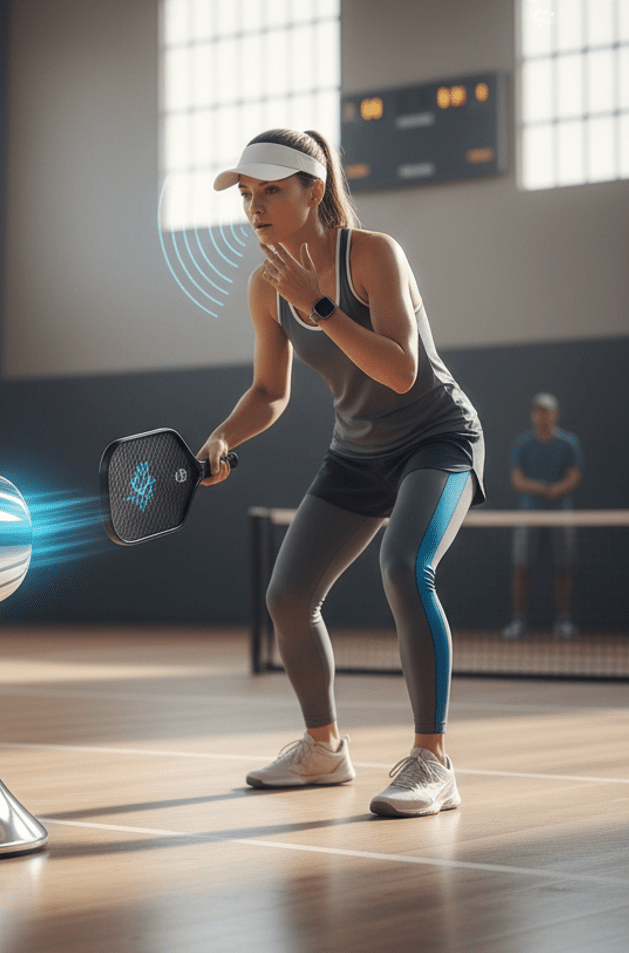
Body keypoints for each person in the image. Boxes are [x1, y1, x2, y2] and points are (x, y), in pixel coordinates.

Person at [197, 129, 484, 818]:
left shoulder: (375, 254)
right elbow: (270, 391)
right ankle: (323, 748)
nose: (254, 206)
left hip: (436, 440)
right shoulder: (265, 288)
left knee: (403, 566)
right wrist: (223, 435)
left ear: (313, 191)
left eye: (270, 190)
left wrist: (321, 307)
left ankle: (432, 760)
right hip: (356, 453)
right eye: (246, 193)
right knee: (288, 599)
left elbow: (401, 369)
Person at [502, 393, 583, 641]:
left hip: (561, 514)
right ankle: (518, 622)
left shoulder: (569, 443)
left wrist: (558, 489)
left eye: (547, 411)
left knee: (564, 567)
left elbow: (574, 476)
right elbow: (518, 480)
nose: (542, 415)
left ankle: (564, 622)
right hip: (529, 513)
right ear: (533, 415)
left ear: (555, 414)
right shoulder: (523, 444)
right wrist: (543, 489)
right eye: (538, 411)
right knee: (521, 567)